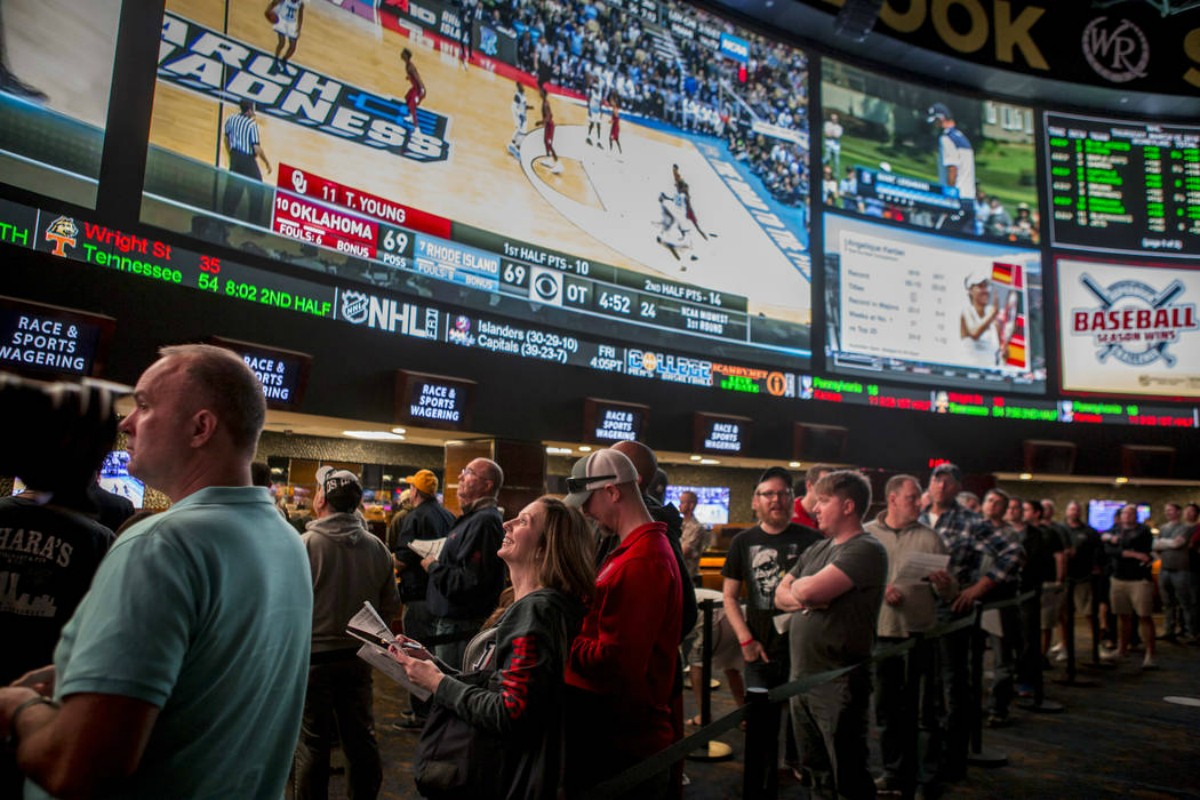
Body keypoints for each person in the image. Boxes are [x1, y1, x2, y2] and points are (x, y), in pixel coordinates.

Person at [0, 344, 312, 798]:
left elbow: (77, 767)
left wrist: (17, 708)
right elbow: (212, 675)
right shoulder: (283, 539)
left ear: (200, 427)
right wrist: (87, 671)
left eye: (144, 405)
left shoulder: (160, 544)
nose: (126, 423)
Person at [389, 496, 594, 800]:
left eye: (524, 521)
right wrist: (433, 665)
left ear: (545, 547)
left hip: (503, 773)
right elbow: (498, 681)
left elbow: (511, 711)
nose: (507, 524)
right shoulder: (528, 604)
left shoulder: (536, 611)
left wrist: (437, 682)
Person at [563, 449, 682, 797]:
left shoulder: (642, 559)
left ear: (613, 491)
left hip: (624, 738)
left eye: (589, 500)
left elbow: (614, 661)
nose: (585, 510)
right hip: (619, 729)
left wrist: (561, 636)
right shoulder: (635, 549)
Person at [776, 470, 887, 799]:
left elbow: (805, 591)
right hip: (803, 678)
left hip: (838, 682)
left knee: (847, 772)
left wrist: (802, 591)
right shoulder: (817, 549)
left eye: (824, 501)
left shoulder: (866, 549)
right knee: (815, 773)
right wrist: (805, 594)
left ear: (849, 506)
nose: (815, 509)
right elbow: (781, 596)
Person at [294, 466, 400, 800]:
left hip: (312, 660)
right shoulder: (377, 548)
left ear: (322, 499)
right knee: (360, 739)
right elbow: (391, 608)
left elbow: (287, 607)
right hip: (357, 659)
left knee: (313, 743)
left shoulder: (304, 546)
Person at [723, 466, 820, 792]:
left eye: (782, 493)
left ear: (793, 498)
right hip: (759, 650)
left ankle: (798, 769)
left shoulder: (813, 540)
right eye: (768, 494)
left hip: (804, 650)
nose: (775, 500)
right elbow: (730, 597)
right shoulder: (743, 541)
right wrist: (745, 639)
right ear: (755, 501)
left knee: (803, 728)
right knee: (761, 734)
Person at [865, 474, 955, 796]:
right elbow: (855, 585)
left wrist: (944, 584)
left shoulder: (931, 538)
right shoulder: (867, 536)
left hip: (920, 635)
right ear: (891, 499)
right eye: (912, 498)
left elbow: (949, 593)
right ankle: (894, 773)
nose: (920, 503)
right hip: (882, 635)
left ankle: (926, 780)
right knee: (887, 710)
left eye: (919, 498)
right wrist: (881, 591)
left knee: (926, 712)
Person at [423, 458, 506, 669]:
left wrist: (434, 567)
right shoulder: (473, 518)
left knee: (450, 688)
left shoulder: (483, 522)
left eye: (468, 472)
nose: (460, 476)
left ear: (487, 485)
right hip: (452, 623)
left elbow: (469, 581)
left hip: (460, 627)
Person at [391, 469, 455, 729]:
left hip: (417, 596)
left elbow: (403, 560)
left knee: (415, 655)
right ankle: (433, 711)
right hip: (440, 595)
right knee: (434, 656)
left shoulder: (414, 517)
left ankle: (421, 713)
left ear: (415, 492)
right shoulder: (449, 515)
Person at [1101, 505, 1157, 668]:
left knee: (1144, 616)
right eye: (1125, 513)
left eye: (1131, 513)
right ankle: (1122, 649)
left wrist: (1113, 540)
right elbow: (1108, 550)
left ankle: (1150, 654)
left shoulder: (1143, 531)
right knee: (1122, 615)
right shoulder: (1115, 529)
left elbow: (1136, 543)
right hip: (1119, 578)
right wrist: (1131, 553)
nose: (1127, 515)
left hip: (1139, 579)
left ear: (1136, 515)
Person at [222, 97, 272, 222]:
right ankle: (253, 224)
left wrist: (230, 154)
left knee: (233, 188)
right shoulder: (251, 125)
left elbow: (226, 139)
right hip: (247, 159)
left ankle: (226, 219)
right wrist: (266, 162)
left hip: (234, 156)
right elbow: (256, 148)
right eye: (253, 109)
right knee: (257, 190)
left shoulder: (231, 119)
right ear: (249, 110)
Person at [927, 102, 975, 233]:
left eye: (935, 121)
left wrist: (949, 198)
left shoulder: (946, 139)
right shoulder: (963, 138)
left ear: (941, 118)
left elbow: (952, 169)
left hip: (956, 199)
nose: (934, 125)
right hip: (969, 198)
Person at [1153, 503, 1195, 642]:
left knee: (1185, 602)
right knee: (1167, 603)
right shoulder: (1163, 528)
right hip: (1165, 569)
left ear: (1178, 512)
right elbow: (1154, 545)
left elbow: (1178, 543)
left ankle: (1191, 632)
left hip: (1181, 570)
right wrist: (1168, 543)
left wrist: (1163, 543)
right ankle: (1169, 630)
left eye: (1170, 510)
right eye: (1166, 510)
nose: (1168, 513)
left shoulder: (1185, 528)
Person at [960, 271, 1000, 366]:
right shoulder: (966, 312)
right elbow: (974, 333)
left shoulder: (993, 322)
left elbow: (998, 352)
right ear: (970, 290)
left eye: (986, 286)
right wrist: (993, 314)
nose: (985, 290)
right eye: (980, 286)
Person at [678, 490, 710, 583]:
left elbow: (683, 552)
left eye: (682, 502)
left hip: (687, 578)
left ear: (691, 505)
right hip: (676, 574)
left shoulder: (697, 528)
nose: (679, 505)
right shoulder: (678, 524)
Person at [267, 0, 306, 76]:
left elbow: (300, 15)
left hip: (292, 23)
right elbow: (274, 3)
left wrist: (299, 27)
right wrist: (268, 11)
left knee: (293, 47)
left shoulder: (300, 3)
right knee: (282, 43)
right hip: (282, 20)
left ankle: (284, 60)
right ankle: (276, 59)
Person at [792, 464, 834, 528]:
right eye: (823, 484)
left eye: (832, 486)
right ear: (809, 485)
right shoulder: (788, 511)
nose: (829, 490)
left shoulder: (833, 515)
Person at [537, 86, 562, 174]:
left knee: (549, 143)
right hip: (548, 125)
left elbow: (548, 116)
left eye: (540, 92)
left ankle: (558, 163)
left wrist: (540, 122)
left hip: (550, 125)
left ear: (543, 94)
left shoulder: (545, 104)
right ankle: (549, 159)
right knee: (545, 141)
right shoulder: (545, 102)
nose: (539, 93)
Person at [402, 48, 426, 129]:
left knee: (412, 106)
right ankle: (410, 116)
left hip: (419, 90)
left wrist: (421, 91)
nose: (401, 54)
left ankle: (416, 127)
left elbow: (418, 78)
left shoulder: (410, 67)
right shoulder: (407, 65)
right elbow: (413, 76)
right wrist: (409, 77)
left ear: (406, 56)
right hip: (415, 88)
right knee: (407, 98)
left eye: (403, 53)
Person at [507, 81, 532, 159]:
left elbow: (523, 105)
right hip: (519, 116)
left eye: (522, 85)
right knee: (520, 131)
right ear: (518, 86)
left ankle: (515, 145)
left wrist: (528, 107)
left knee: (522, 132)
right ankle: (514, 146)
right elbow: (514, 107)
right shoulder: (517, 96)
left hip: (523, 115)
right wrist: (519, 115)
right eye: (520, 85)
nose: (522, 86)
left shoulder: (523, 94)